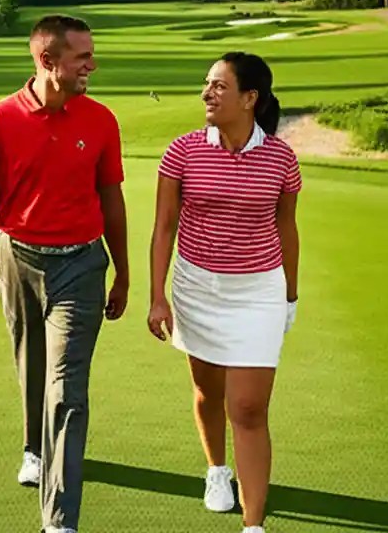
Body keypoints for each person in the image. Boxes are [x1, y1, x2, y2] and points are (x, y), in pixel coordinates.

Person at [0, 14, 130, 533]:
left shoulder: (100, 120)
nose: (92, 65)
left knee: (67, 387)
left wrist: (123, 271)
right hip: (17, 259)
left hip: (81, 264)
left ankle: (59, 521)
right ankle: (35, 447)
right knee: (31, 367)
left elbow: (112, 197)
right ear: (47, 61)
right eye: (82, 57)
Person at [146, 51, 302, 533]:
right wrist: (157, 295)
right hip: (198, 288)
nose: (206, 93)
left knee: (249, 408)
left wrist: (290, 297)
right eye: (206, 84)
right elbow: (164, 227)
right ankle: (217, 471)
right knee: (207, 391)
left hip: (258, 291)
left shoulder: (281, 157)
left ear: (250, 98)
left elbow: (287, 227)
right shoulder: (183, 150)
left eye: (218, 85)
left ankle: (254, 525)